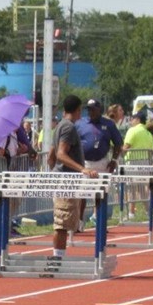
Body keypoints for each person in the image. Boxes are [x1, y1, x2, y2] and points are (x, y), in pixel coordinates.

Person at [48, 94, 99, 256]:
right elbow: (61, 154)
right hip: (66, 180)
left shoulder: (60, 126)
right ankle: (58, 259)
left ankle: (59, 257)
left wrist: (52, 170)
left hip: (62, 177)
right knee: (62, 223)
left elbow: (51, 154)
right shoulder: (69, 127)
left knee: (66, 221)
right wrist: (82, 169)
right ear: (78, 110)